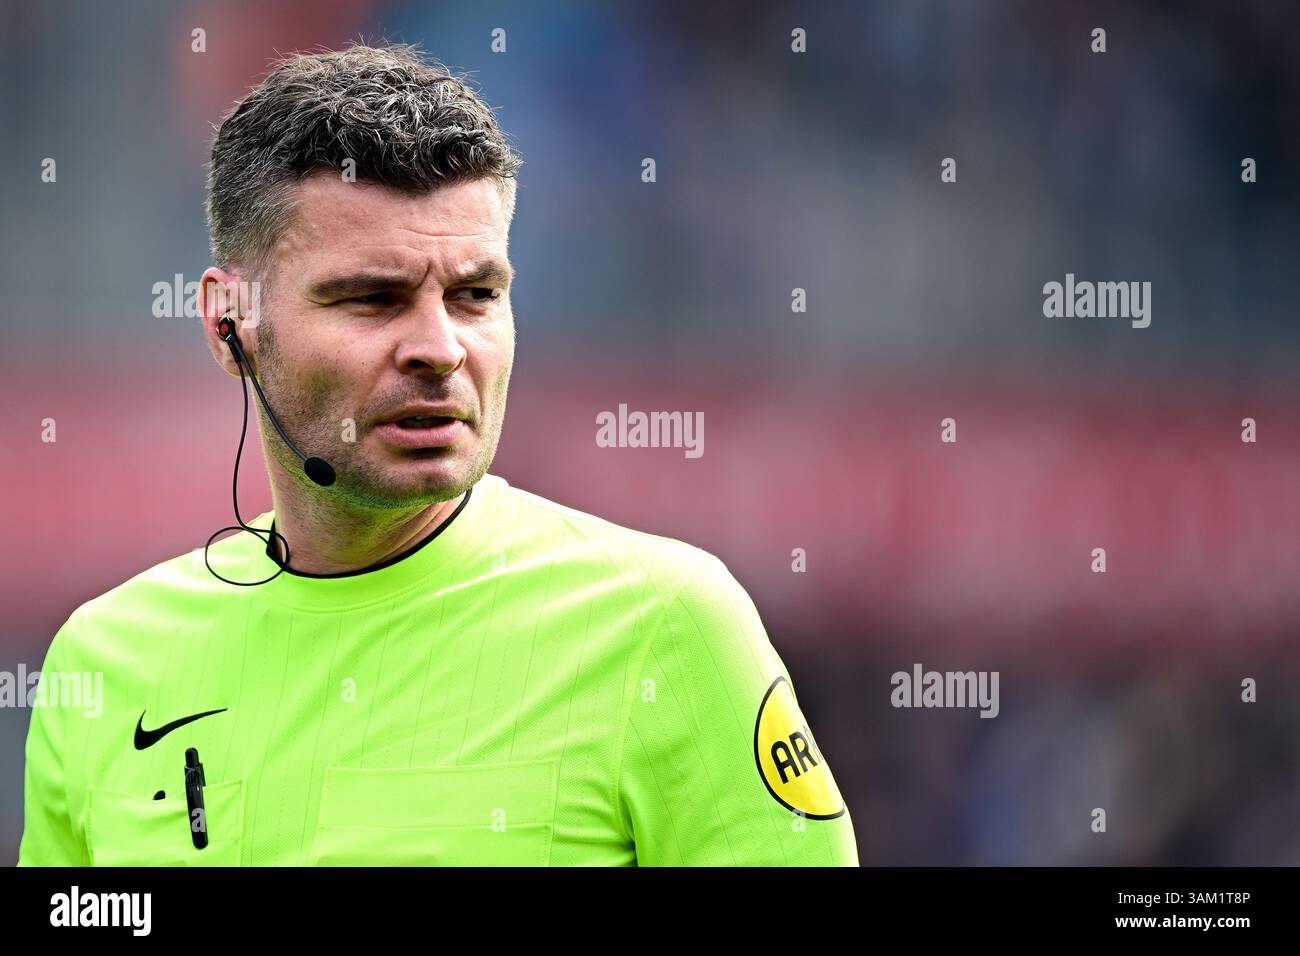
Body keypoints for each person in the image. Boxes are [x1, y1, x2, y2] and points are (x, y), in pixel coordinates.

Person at [18, 42, 856, 866]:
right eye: (372, 299)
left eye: (476, 296)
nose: (440, 348)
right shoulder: (104, 660)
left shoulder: (666, 626)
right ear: (230, 324)